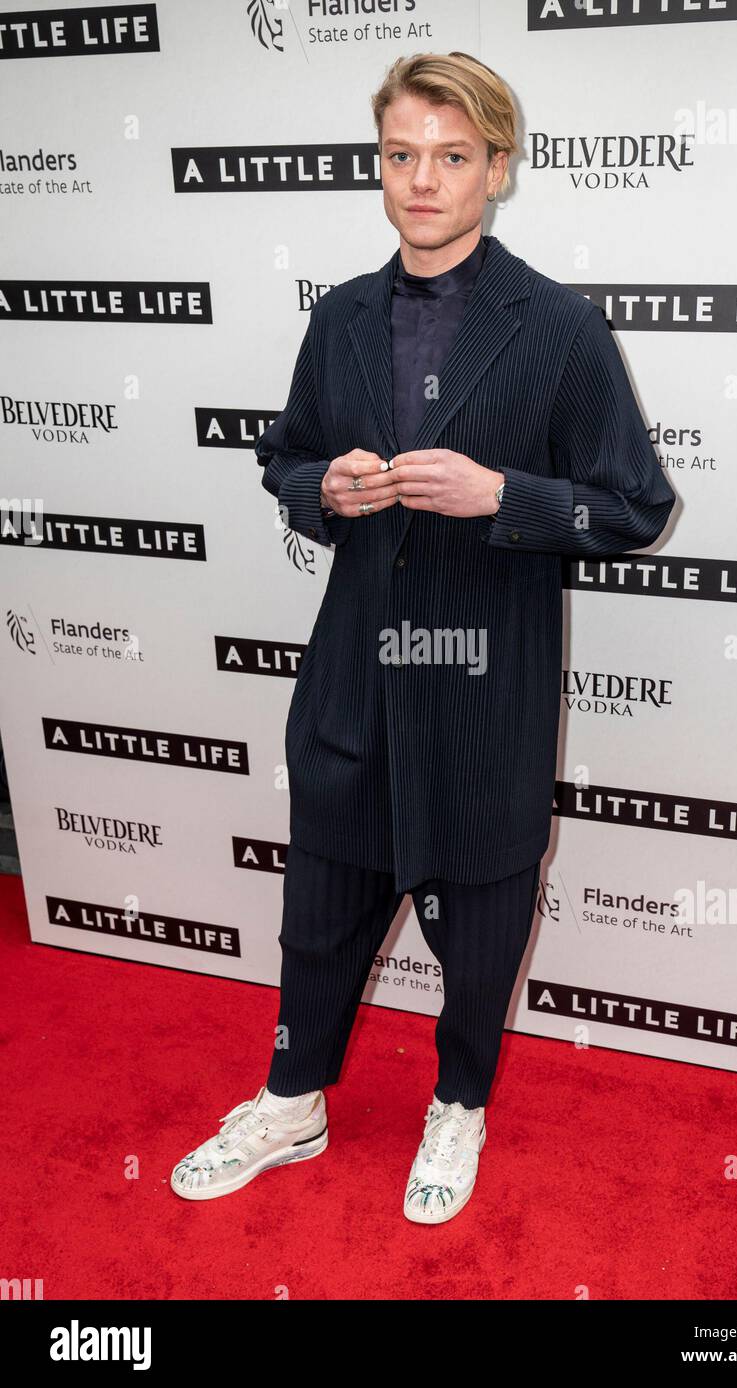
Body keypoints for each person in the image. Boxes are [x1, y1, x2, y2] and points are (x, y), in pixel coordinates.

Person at [170, 51, 676, 1224]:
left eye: (451, 157)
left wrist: (505, 494)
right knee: (322, 901)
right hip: (351, 672)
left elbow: (633, 507)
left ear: (495, 170)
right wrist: (323, 490)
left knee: (484, 908)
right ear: (379, 164)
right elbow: (283, 454)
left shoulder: (558, 327)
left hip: (482, 682)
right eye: (401, 155)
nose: (421, 180)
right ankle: (294, 1099)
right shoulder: (340, 315)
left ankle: (460, 1100)